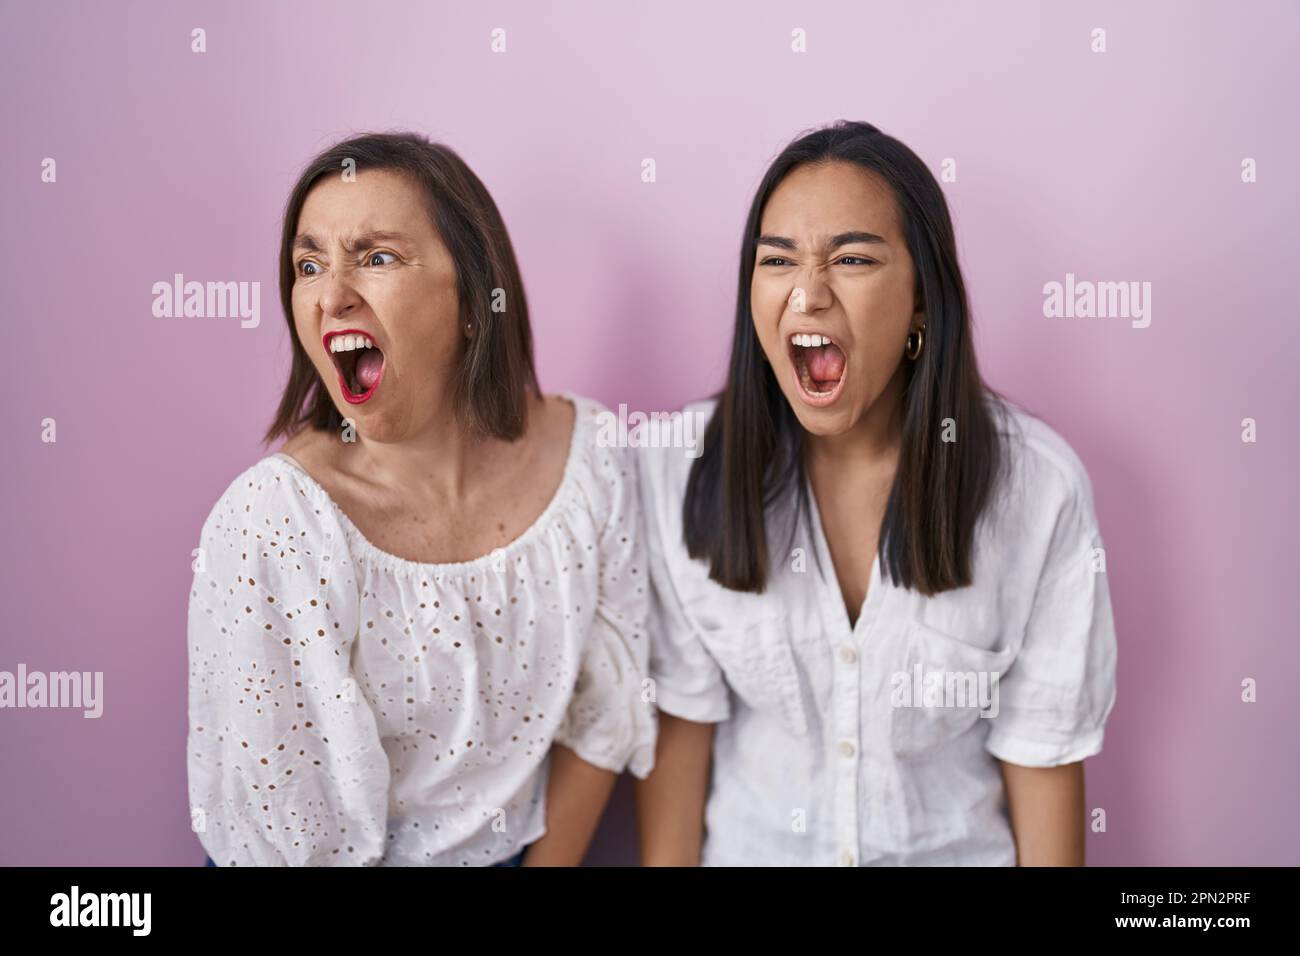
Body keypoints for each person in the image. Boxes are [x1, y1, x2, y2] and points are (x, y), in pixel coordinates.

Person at [634, 120, 1117, 866]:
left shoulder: (1038, 490)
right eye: (778, 261)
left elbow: (1043, 756)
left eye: (852, 258)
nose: (807, 293)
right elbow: (681, 730)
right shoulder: (676, 468)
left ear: (923, 300)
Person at [187, 132, 654, 866]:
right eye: (308, 265)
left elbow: (607, 709)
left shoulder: (591, 459)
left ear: (473, 298)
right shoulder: (274, 525)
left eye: (377, 258)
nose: (332, 295)